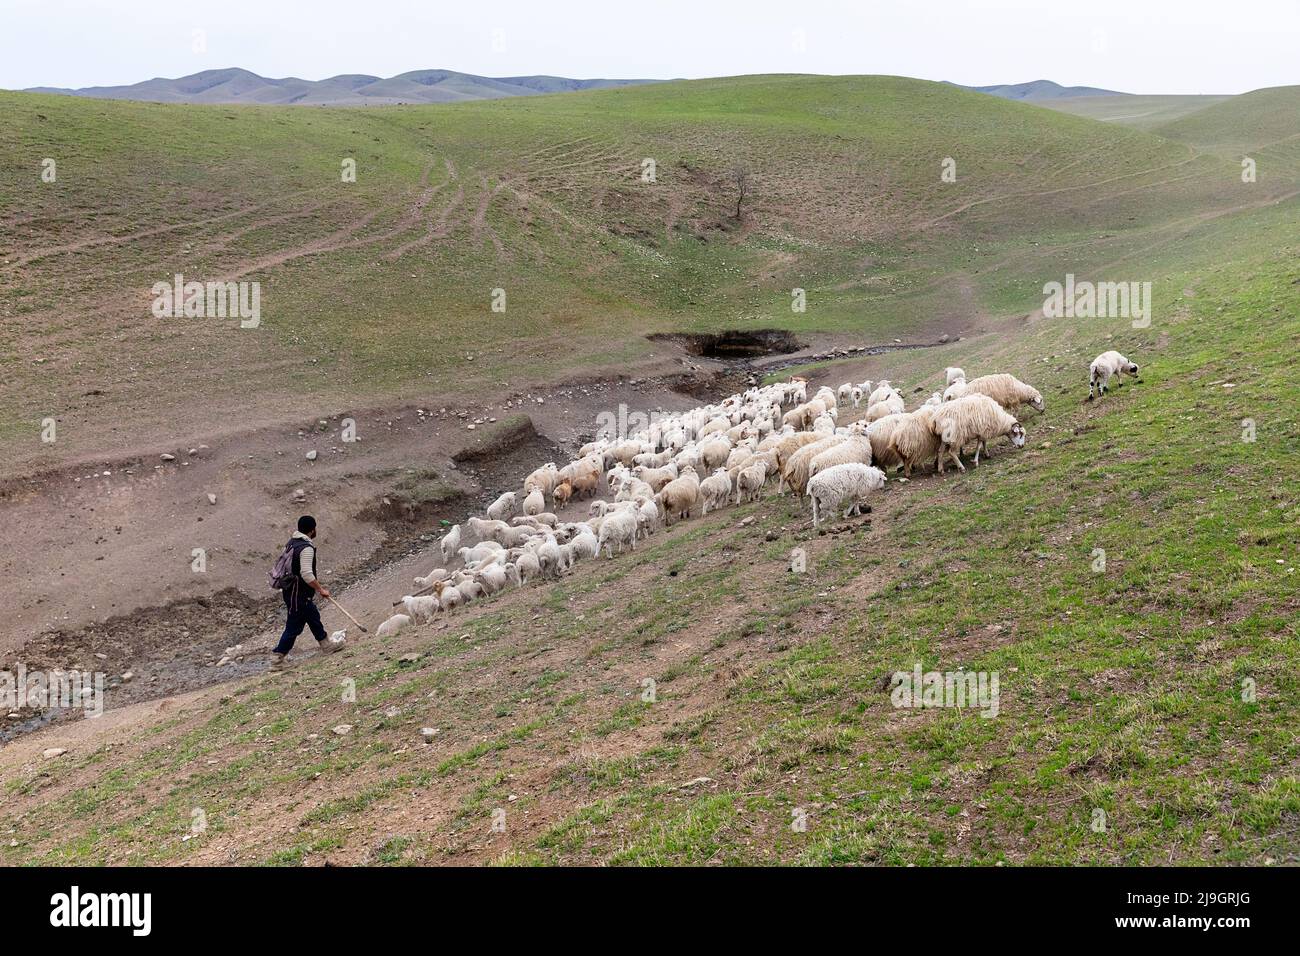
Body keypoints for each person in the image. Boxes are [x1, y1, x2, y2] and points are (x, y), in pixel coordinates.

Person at [271, 515, 338, 667]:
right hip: (298, 594)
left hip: (291, 591)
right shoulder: (306, 548)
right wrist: (321, 589)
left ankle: (326, 645)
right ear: (312, 529)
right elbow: (307, 574)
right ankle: (277, 659)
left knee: (312, 616)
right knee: (294, 626)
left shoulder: (291, 543)